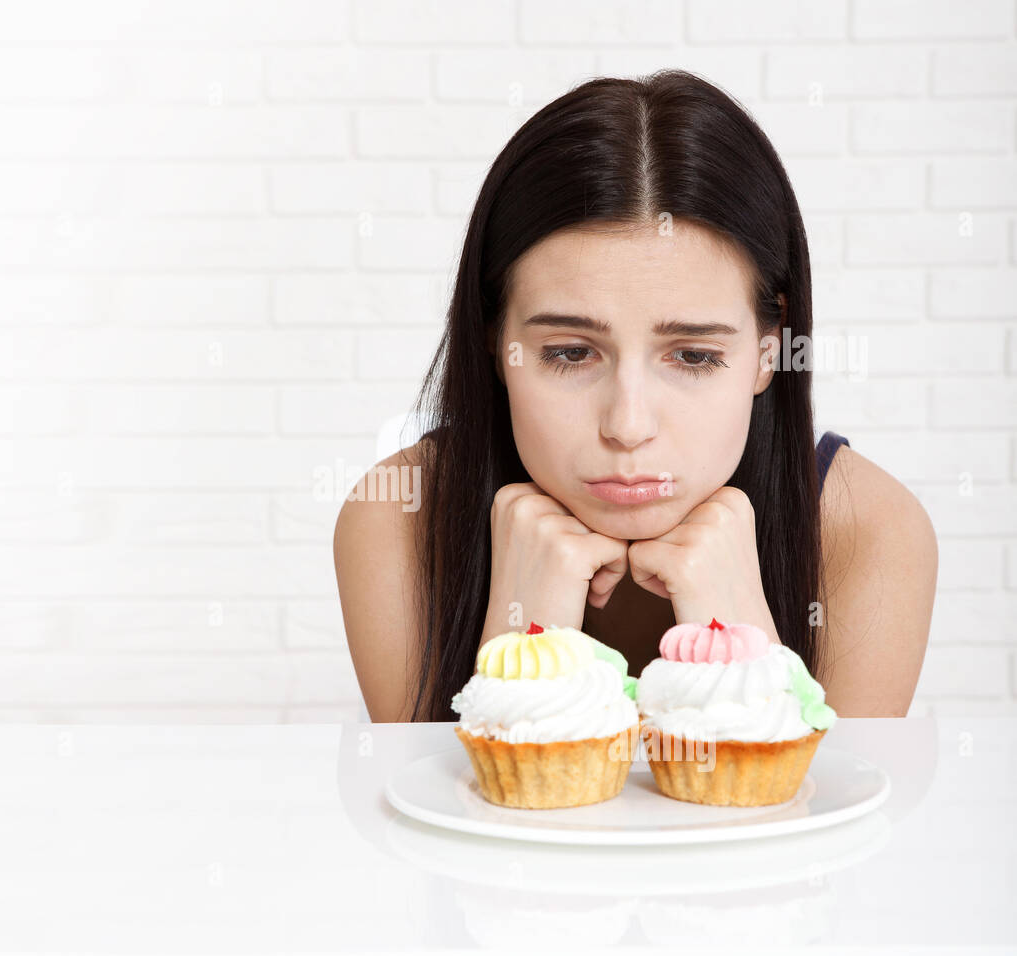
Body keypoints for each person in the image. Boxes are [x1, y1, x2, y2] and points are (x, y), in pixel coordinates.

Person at [334, 70, 936, 723]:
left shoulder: (867, 529)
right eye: (569, 353)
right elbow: (437, 824)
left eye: (694, 356)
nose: (627, 425)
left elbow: (835, 825)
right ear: (493, 338)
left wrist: (743, 650)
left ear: (770, 347)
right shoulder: (398, 521)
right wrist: (525, 645)